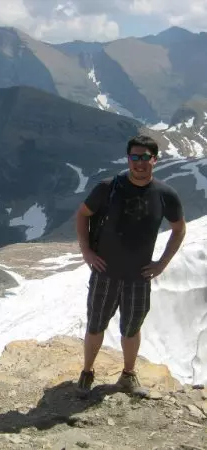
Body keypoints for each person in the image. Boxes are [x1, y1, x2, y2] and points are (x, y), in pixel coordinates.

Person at [75, 134, 186, 396]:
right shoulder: (108, 187)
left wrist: (162, 264)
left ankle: (127, 374)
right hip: (106, 272)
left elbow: (179, 229)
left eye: (145, 158)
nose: (139, 163)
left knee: (131, 327)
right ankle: (87, 371)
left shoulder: (165, 195)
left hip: (139, 276)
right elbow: (82, 214)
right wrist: (87, 251)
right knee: (96, 324)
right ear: (128, 159)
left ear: (154, 160)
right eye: (134, 157)